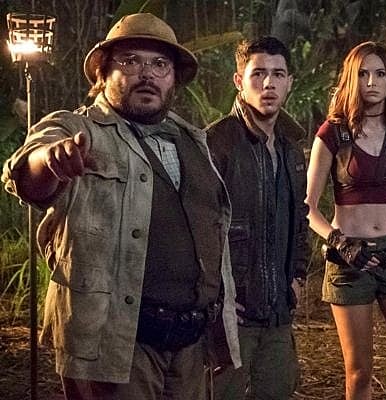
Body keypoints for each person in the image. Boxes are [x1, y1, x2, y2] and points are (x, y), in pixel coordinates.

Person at [1, 13, 241, 399]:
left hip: (190, 345)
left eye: (159, 64)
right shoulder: (79, 129)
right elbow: (27, 172)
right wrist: (51, 160)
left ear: (173, 78)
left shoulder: (193, 140)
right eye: (130, 61)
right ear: (102, 74)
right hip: (115, 345)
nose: (146, 74)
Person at [306, 41, 386, 400]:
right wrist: (340, 242)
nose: (371, 82)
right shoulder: (333, 133)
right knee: (359, 373)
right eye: (362, 74)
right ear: (352, 79)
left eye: (380, 74)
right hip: (350, 261)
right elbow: (308, 207)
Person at [205, 36, 309, 400]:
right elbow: (200, 227)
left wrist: (297, 276)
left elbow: (300, 218)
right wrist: (214, 295)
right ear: (239, 81)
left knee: (277, 389)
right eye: (258, 73)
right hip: (231, 316)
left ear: (289, 82)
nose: (268, 84)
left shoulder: (291, 148)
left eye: (278, 74)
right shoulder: (216, 143)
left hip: (278, 310)